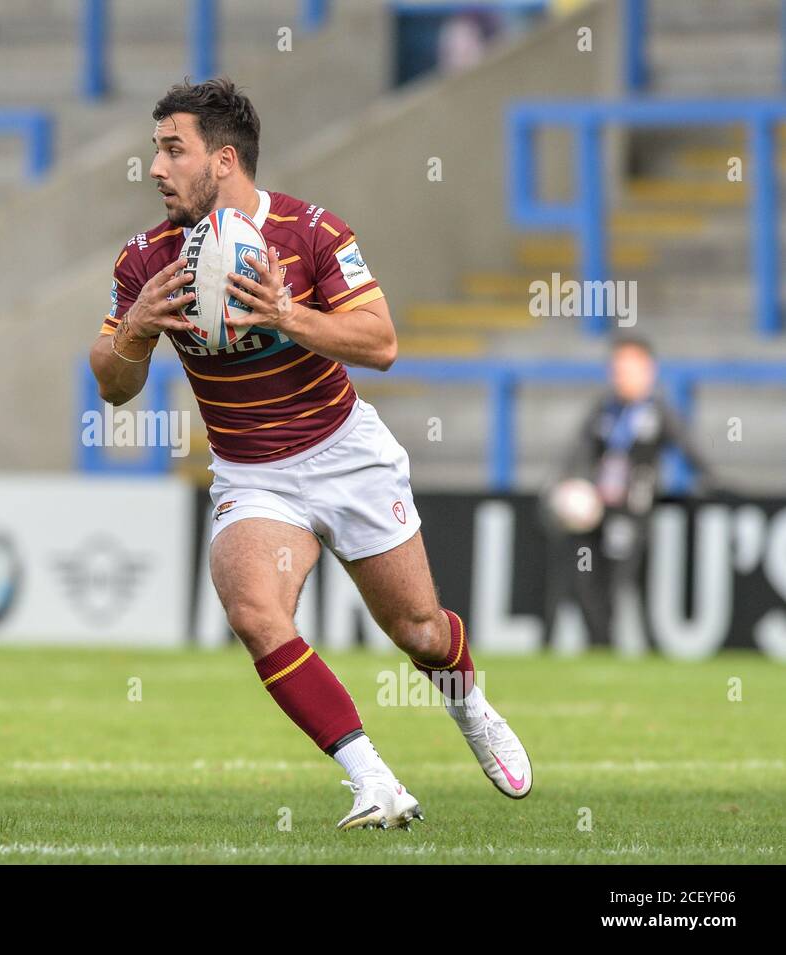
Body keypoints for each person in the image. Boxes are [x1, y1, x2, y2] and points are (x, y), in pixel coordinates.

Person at [88, 77, 532, 831]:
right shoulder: (145, 259)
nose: (155, 169)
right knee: (256, 610)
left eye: (172, 151)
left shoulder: (312, 232)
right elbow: (114, 387)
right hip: (252, 474)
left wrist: (289, 315)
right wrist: (133, 329)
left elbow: (382, 343)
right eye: (155, 151)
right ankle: (374, 780)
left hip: (344, 452)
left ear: (224, 160)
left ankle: (470, 704)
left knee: (420, 629)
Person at [547, 335, 714, 647]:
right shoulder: (603, 410)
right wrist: (570, 484)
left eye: (628, 367)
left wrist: (713, 485)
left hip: (631, 514)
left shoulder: (659, 412)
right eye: (617, 367)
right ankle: (599, 645)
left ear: (648, 370)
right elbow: (578, 452)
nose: (620, 374)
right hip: (593, 512)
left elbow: (692, 452)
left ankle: (624, 645)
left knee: (617, 585)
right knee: (584, 583)